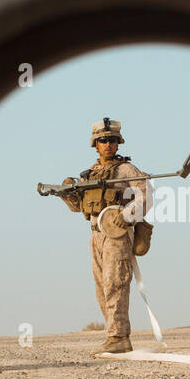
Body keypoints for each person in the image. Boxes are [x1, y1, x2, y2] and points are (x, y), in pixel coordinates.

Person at [59, 117, 153, 353]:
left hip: (117, 234)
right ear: (96, 144)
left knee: (116, 283)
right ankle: (113, 335)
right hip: (95, 234)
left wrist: (128, 214)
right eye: (103, 140)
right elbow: (78, 207)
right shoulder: (89, 174)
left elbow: (146, 196)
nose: (108, 144)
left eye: (111, 140)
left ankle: (119, 337)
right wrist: (66, 193)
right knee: (101, 287)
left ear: (118, 143)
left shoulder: (126, 169)